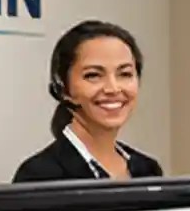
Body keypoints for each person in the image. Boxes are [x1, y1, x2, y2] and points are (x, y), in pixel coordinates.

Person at [13, 20, 163, 182]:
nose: (112, 88)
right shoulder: (39, 176)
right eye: (93, 75)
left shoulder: (148, 171)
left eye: (125, 74)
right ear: (63, 88)